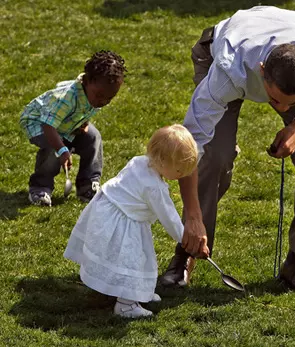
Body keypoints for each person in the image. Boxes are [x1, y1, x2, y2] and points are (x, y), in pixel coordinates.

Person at [160, 6, 295, 297]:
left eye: (288, 102)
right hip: (219, 54)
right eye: (274, 99)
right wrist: (193, 215)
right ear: (262, 73)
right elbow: (191, 146)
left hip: (284, 56)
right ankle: (187, 251)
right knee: (215, 156)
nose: (280, 108)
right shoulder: (228, 71)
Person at [64, 124, 209, 318]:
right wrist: (188, 241)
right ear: (164, 162)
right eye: (179, 171)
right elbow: (170, 218)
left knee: (126, 258)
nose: (181, 176)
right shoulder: (154, 187)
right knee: (131, 261)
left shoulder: (139, 162)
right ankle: (125, 305)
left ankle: (138, 292)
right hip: (123, 222)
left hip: (107, 211)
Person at [20, 50, 126, 206]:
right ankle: (40, 187)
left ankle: (87, 185)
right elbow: (48, 125)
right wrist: (62, 150)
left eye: (109, 98)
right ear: (88, 81)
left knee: (93, 137)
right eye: (99, 95)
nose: (103, 101)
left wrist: (82, 123)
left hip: (63, 124)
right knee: (53, 148)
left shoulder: (93, 93)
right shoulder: (67, 98)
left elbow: (83, 111)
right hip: (39, 123)